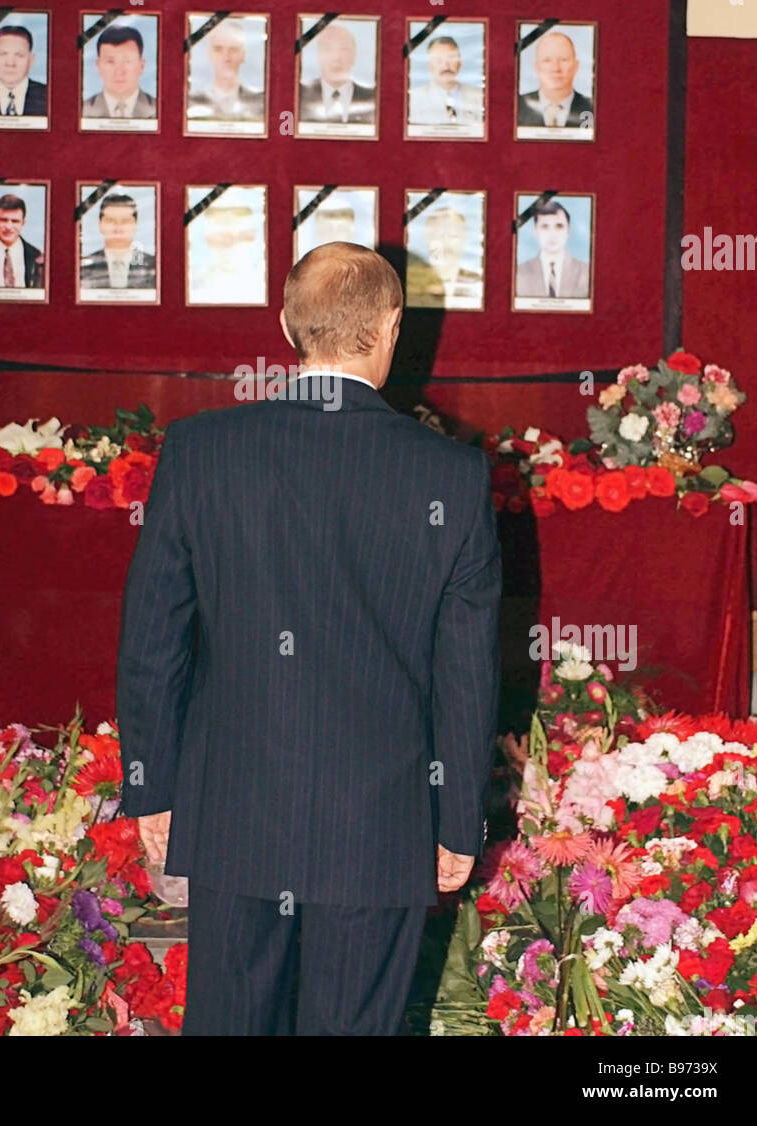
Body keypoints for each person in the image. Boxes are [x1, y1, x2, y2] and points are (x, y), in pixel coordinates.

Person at [117, 242, 502, 1036]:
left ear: (288, 324)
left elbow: (152, 637)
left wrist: (152, 788)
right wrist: (459, 819)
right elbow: (465, 671)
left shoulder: (201, 452)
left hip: (233, 811)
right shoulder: (451, 478)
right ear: (392, 327)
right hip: (379, 822)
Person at [187, 196, 264, 304]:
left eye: (237, 237)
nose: (229, 245)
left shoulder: (264, 281)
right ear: (208, 239)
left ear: (251, 236)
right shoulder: (193, 282)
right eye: (220, 238)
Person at [187, 20, 265, 122]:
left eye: (233, 49)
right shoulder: (190, 101)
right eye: (218, 49)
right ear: (209, 54)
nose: (226, 57)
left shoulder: (261, 102)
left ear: (243, 55)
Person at [298, 24, 376, 125]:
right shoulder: (300, 95)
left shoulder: (372, 97)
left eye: (344, 48)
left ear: (354, 54)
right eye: (328, 48)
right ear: (318, 55)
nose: (336, 57)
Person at [407, 205, 481, 306]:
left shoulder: (477, 284)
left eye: (453, 236)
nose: (446, 242)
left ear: (464, 240)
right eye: (439, 235)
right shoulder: (410, 283)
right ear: (427, 238)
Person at [515, 198, 590, 298]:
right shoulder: (518, 273)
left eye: (559, 226)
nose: (552, 234)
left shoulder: (587, 272)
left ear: (568, 231)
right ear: (536, 232)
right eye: (545, 226)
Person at [80, 194, 156, 291]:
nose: (118, 229)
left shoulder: (154, 265)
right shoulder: (83, 267)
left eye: (125, 221)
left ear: (135, 225)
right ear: (100, 225)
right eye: (110, 221)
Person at [518, 31, 593, 129]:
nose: (556, 68)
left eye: (563, 59)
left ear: (576, 66)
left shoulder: (593, 108)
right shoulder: (517, 106)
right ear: (536, 67)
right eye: (547, 60)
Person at [82, 25, 157, 120]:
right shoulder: (82, 110)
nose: (119, 71)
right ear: (98, 66)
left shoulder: (159, 109)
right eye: (110, 62)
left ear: (141, 66)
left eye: (127, 61)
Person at [0, 24, 47, 117]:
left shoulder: (49, 98)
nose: (10, 63)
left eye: (19, 55)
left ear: (31, 60)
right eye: (3, 54)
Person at [408, 35, 483, 127]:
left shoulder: (480, 96)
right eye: (438, 60)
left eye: (451, 58)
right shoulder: (413, 99)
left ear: (460, 62)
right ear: (429, 65)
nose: (446, 66)